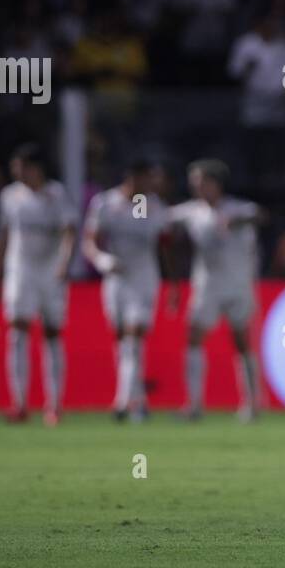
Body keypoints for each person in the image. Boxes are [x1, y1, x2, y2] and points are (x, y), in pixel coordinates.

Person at [168, 159, 266, 422]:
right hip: (207, 285)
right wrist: (141, 203)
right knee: (194, 338)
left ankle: (252, 403)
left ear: (216, 183)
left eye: (201, 181)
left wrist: (235, 221)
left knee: (242, 341)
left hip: (238, 284)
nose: (196, 186)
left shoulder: (238, 208)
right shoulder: (191, 212)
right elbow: (163, 220)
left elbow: (260, 215)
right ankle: (194, 404)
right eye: (194, 182)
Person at [83, 160, 169, 422]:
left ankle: (121, 403)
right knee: (123, 341)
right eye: (145, 179)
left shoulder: (154, 206)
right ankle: (139, 401)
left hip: (144, 278)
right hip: (117, 279)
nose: (150, 185)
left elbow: (165, 245)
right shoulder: (105, 204)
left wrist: (173, 281)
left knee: (134, 336)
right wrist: (101, 260)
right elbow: (89, 241)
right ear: (132, 178)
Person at [0, 144, 77, 426]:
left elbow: (69, 231)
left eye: (21, 166)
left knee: (52, 333)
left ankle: (54, 405)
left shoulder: (56, 194)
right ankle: (19, 404)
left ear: (35, 168)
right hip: (20, 270)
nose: (16, 172)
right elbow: (5, 235)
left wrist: (64, 264)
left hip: (50, 271)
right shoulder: (9, 196)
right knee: (18, 331)